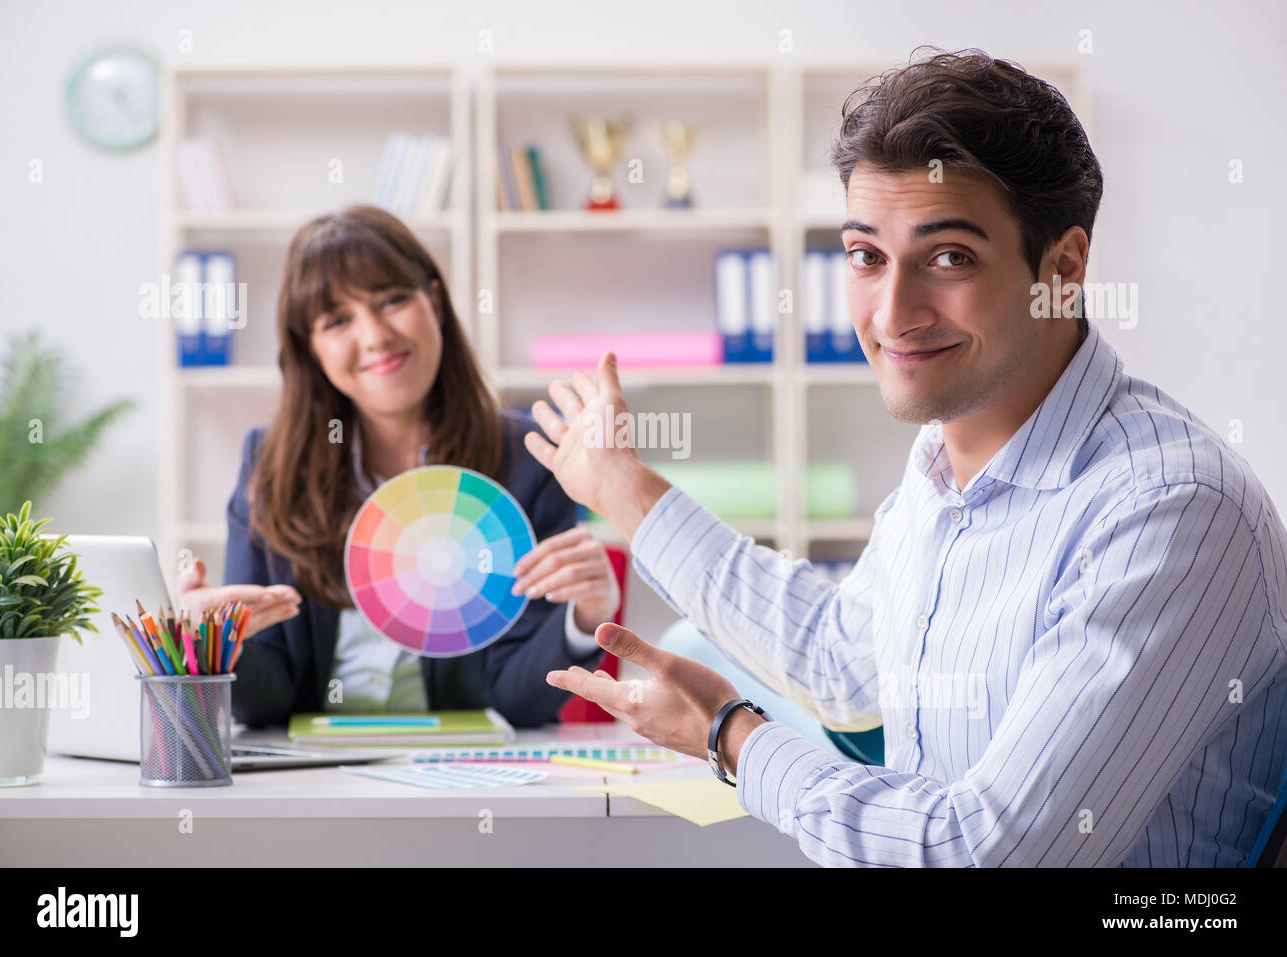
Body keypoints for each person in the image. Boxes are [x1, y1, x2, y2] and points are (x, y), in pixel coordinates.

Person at [516, 48, 1287, 866]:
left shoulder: (1171, 509)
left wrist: (734, 739)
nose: (891, 314)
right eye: (866, 256)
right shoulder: (943, 464)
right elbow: (839, 658)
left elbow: (986, 852)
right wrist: (622, 486)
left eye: (949, 257)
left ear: (1061, 270)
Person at [177, 205, 620, 728]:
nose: (374, 337)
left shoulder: (529, 458)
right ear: (310, 349)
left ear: (434, 301)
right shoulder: (269, 467)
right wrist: (209, 641)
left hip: (465, 768)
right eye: (336, 321)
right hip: (315, 768)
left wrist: (587, 615)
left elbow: (516, 701)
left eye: (391, 300)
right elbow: (265, 702)